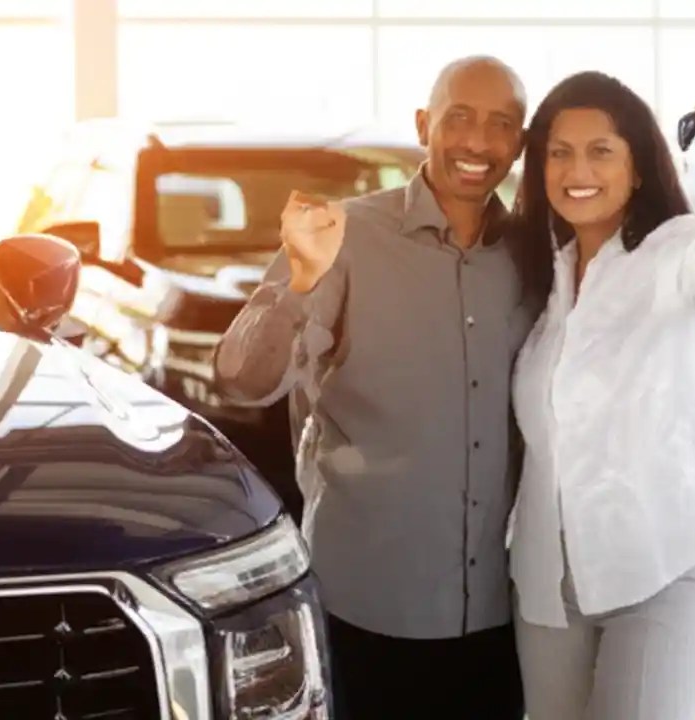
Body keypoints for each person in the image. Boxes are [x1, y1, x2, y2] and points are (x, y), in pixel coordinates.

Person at [212, 55, 534, 719]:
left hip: (498, 615)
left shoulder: (530, 255)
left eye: (501, 124)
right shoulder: (344, 235)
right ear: (423, 125)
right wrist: (296, 286)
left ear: (520, 142)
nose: (478, 142)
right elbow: (244, 382)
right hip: (365, 606)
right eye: (459, 117)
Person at [507, 70, 695, 720]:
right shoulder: (543, 271)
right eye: (559, 152)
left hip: (665, 560)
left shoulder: (676, 253)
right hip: (550, 573)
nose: (578, 170)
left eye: (601, 151)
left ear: (637, 169)